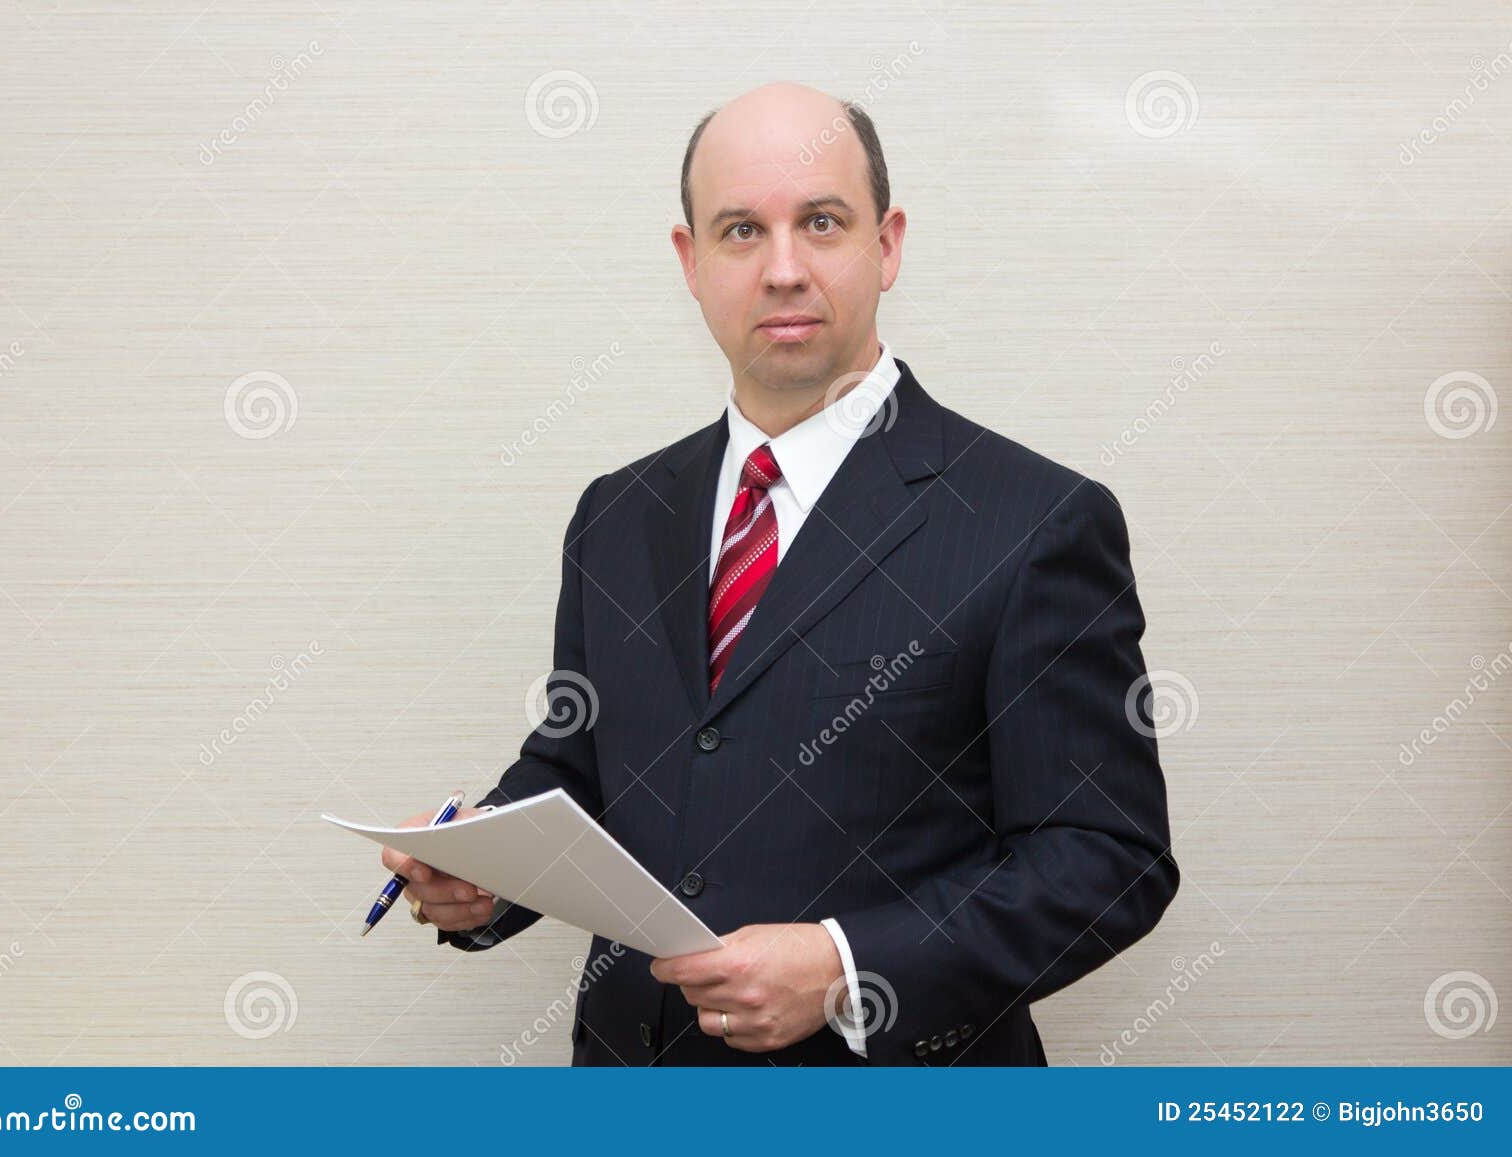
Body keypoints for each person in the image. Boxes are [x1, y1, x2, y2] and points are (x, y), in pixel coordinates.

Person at [380, 80, 1180, 1066]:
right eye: (741, 231)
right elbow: (578, 769)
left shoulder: (1034, 521)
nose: (784, 269)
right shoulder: (616, 514)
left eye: (822, 223)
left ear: (887, 245)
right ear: (691, 261)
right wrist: (486, 864)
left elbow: (1106, 858)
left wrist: (850, 965)